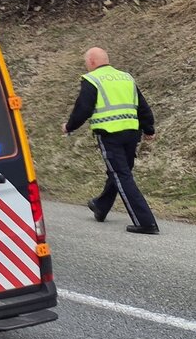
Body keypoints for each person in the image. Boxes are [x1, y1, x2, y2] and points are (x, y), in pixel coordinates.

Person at [65, 47, 159, 234]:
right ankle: (101, 205)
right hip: (132, 132)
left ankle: (145, 222)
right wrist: (149, 129)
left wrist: (69, 127)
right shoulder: (126, 77)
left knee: (121, 175)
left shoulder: (92, 79)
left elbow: (83, 108)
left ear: (91, 62)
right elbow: (142, 105)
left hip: (109, 134)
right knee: (118, 172)